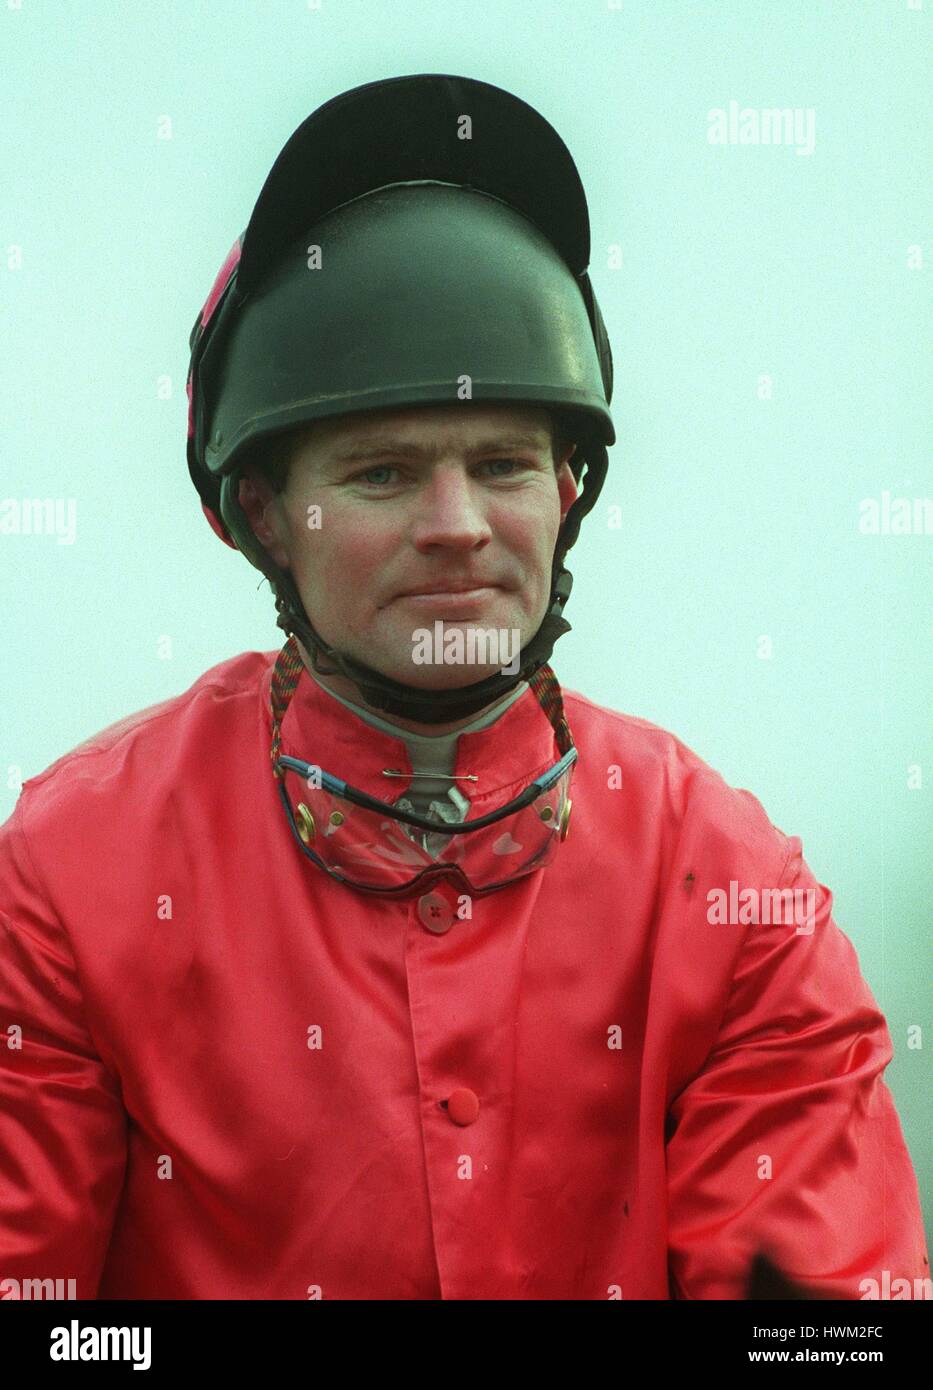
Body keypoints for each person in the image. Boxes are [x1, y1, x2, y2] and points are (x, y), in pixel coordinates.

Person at [0, 74, 927, 1302]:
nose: (458, 528)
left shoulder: (731, 882)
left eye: (502, 465)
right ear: (263, 514)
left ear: (569, 492)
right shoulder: (71, 870)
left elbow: (819, 1322)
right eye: (383, 474)